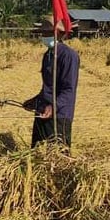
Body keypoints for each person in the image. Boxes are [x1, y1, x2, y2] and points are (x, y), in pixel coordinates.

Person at [25, 16, 79, 150]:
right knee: (37, 152)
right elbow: (48, 87)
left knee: (57, 156)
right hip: (42, 112)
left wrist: (53, 107)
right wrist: (35, 101)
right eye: (43, 33)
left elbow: (68, 89)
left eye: (48, 33)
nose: (44, 36)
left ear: (58, 34)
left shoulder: (68, 56)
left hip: (59, 116)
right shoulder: (47, 55)